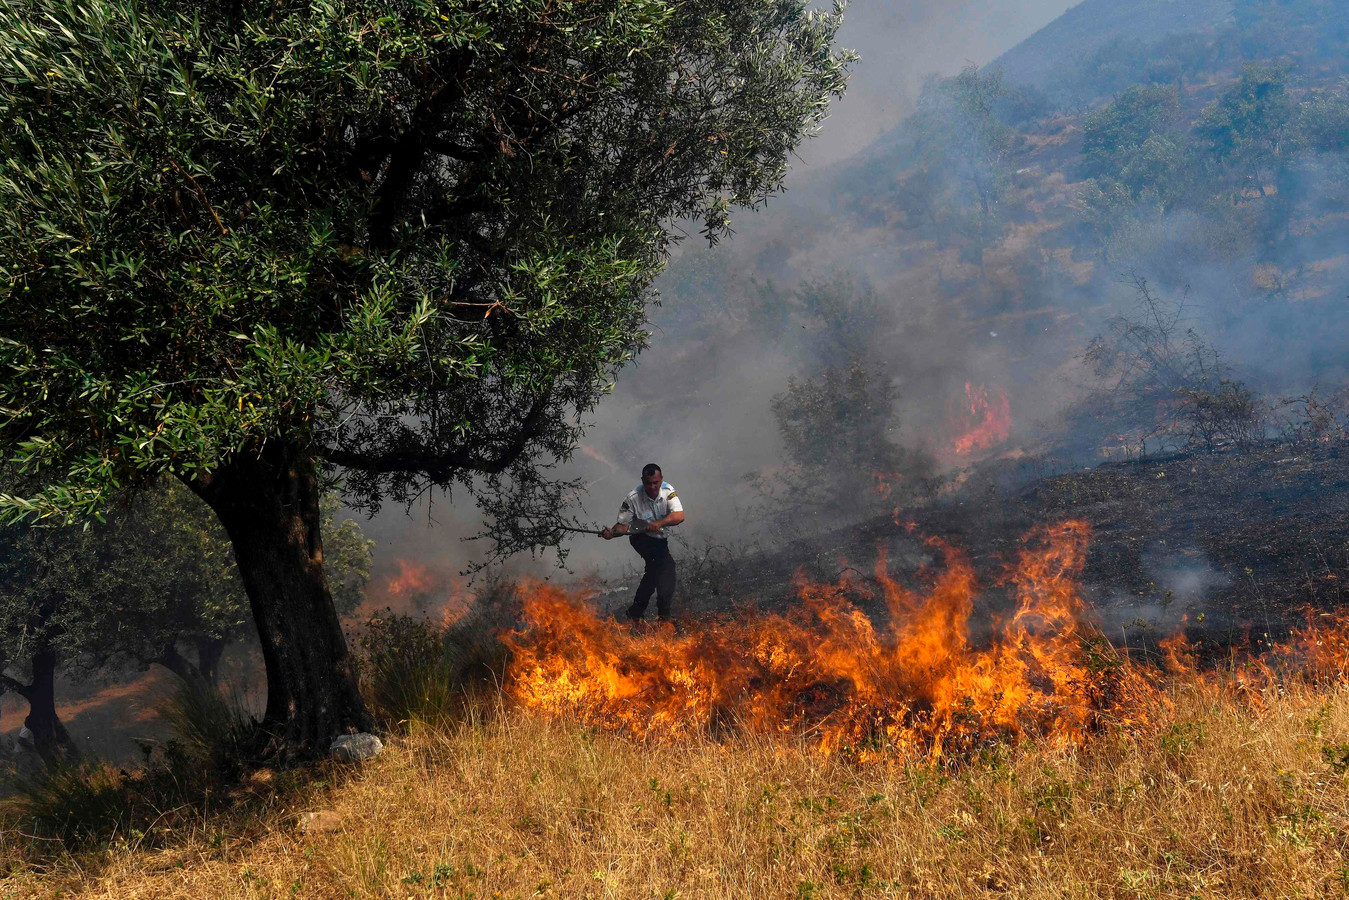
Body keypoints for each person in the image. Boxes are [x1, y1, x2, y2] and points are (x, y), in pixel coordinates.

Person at [602, 463, 685, 622]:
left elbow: (679, 516)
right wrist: (611, 533)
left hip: (660, 540)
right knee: (665, 567)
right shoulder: (632, 498)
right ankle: (664, 615)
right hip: (641, 538)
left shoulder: (668, 491)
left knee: (655, 571)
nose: (652, 487)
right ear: (642, 481)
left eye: (656, 483)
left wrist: (659, 523)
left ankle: (636, 611)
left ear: (661, 480)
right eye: (648, 483)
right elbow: (623, 526)